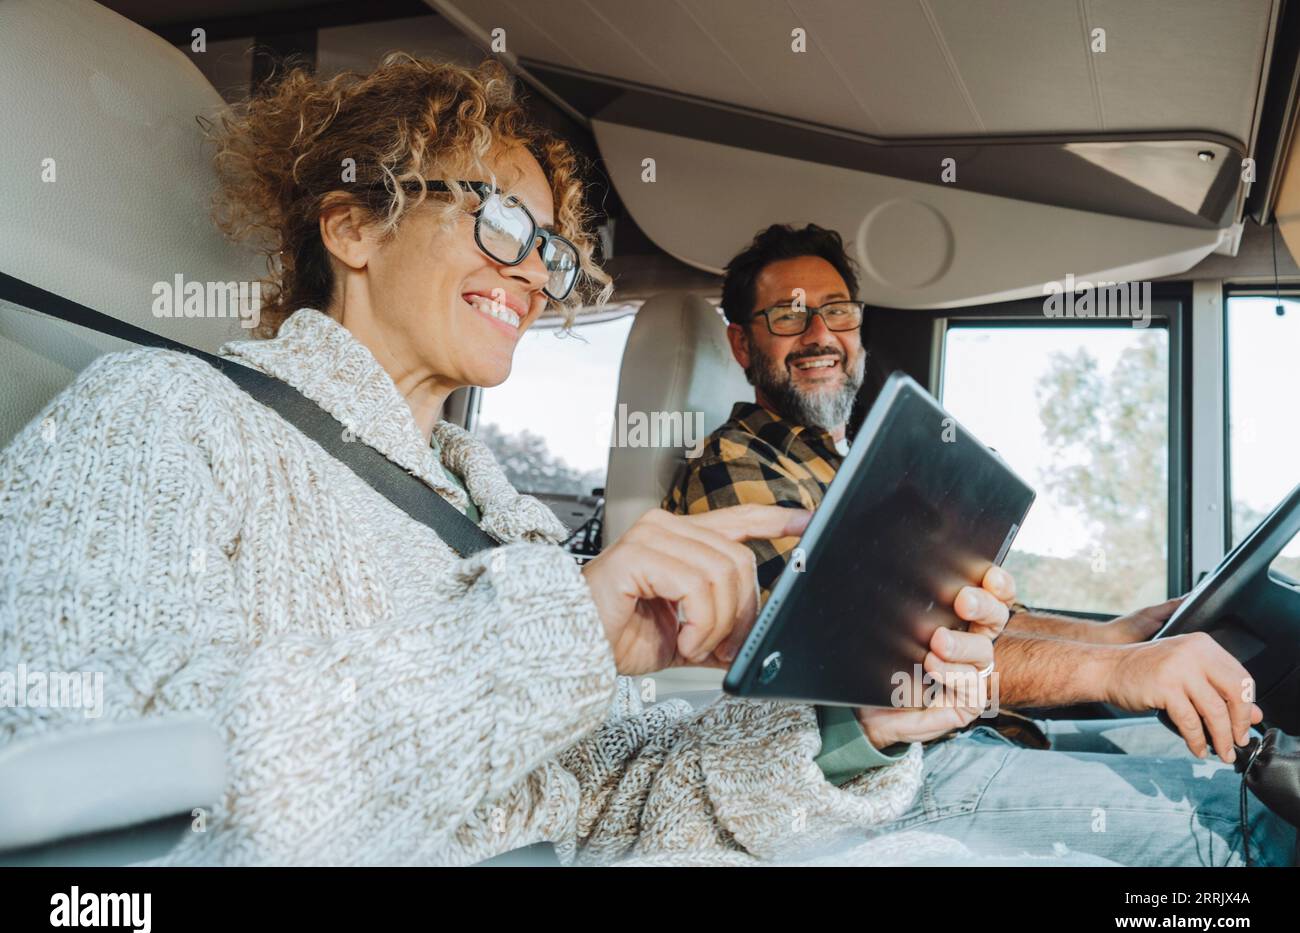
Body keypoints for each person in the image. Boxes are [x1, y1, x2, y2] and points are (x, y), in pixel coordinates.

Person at [0, 57, 1016, 866]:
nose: (534, 271)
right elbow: (74, 776)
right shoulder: (163, 414)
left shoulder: (501, 515)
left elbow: (611, 802)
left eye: (552, 252)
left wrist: (856, 734)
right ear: (353, 223)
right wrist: (556, 630)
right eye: (500, 223)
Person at [664, 222, 1296, 865]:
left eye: (837, 311)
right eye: (789, 316)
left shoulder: (854, 465)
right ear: (742, 344)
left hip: (969, 733)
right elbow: (848, 661)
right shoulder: (736, 469)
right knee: (1245, 824)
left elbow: (949, 624)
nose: (821, 335)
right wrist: (1114, 669)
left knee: (1243, 756)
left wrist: (1113, 634)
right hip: (882, 774)